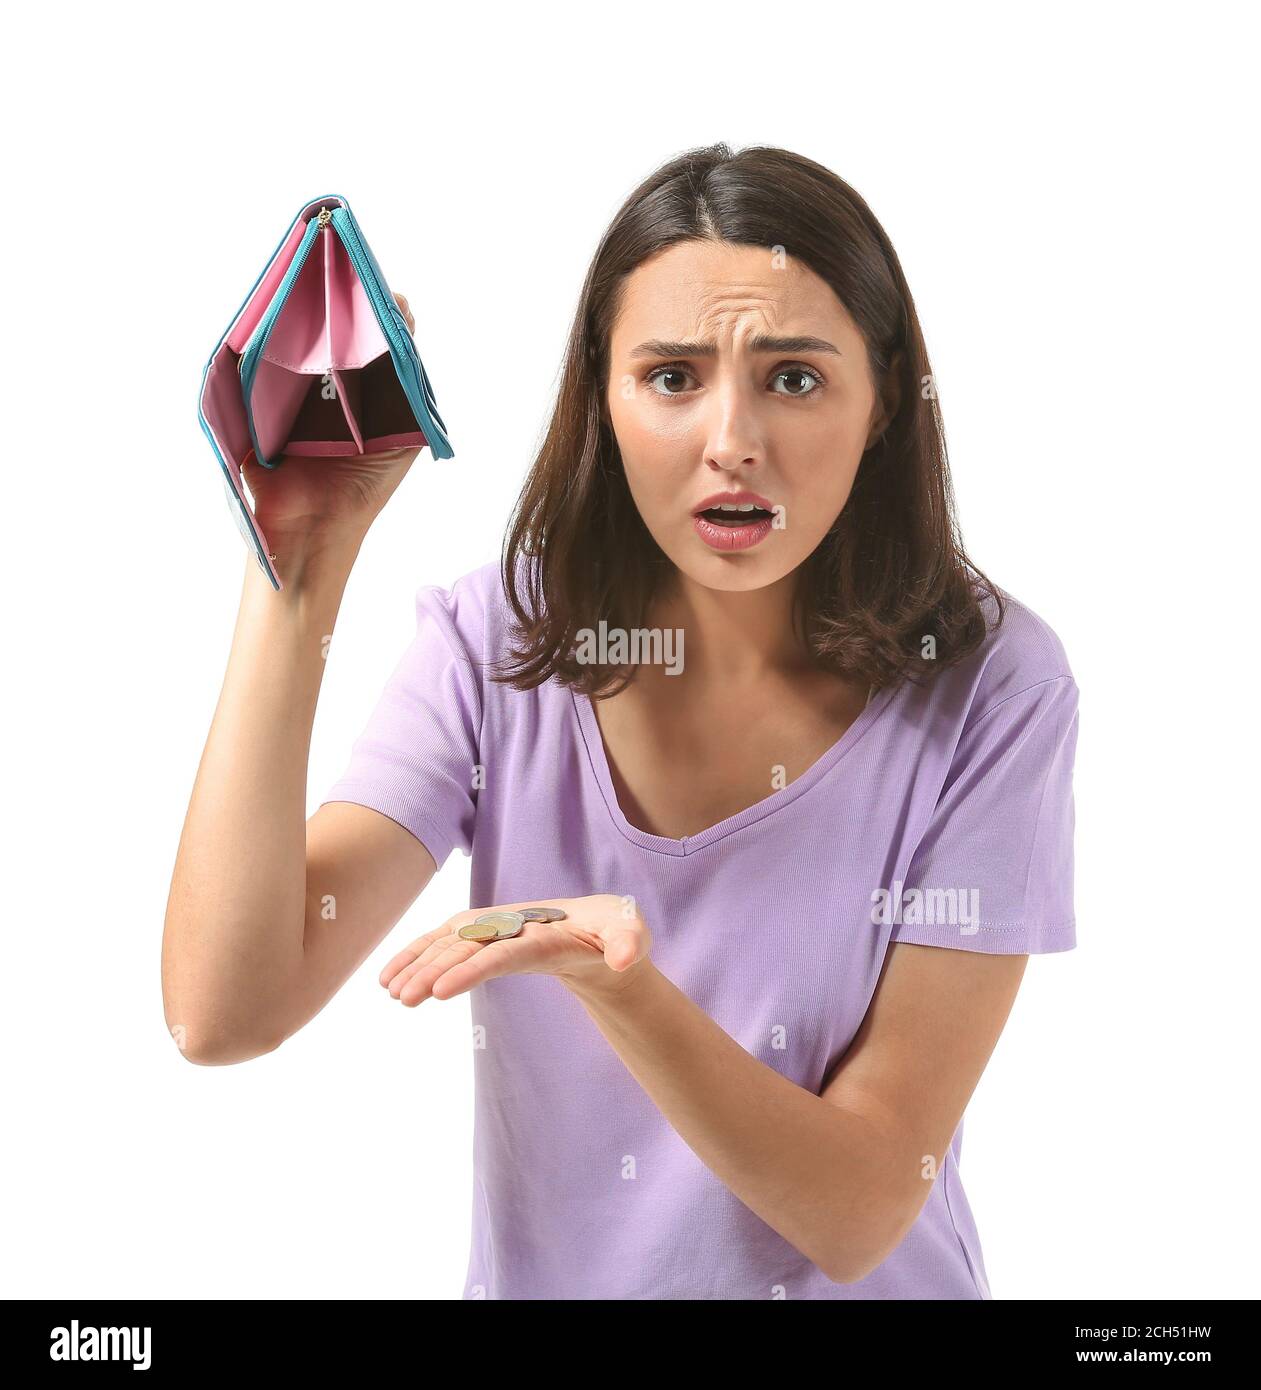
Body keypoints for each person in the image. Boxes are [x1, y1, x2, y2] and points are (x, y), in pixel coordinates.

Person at [163, 143, 1079, 1300]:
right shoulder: (498, 643)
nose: (732, 438)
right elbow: (222, 1009)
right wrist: (299, 573)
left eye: (793, 377)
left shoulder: (992, 686)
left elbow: (856, 1212)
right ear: (601, 393)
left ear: (885, 398)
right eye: (671, 376)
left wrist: (623, 986)